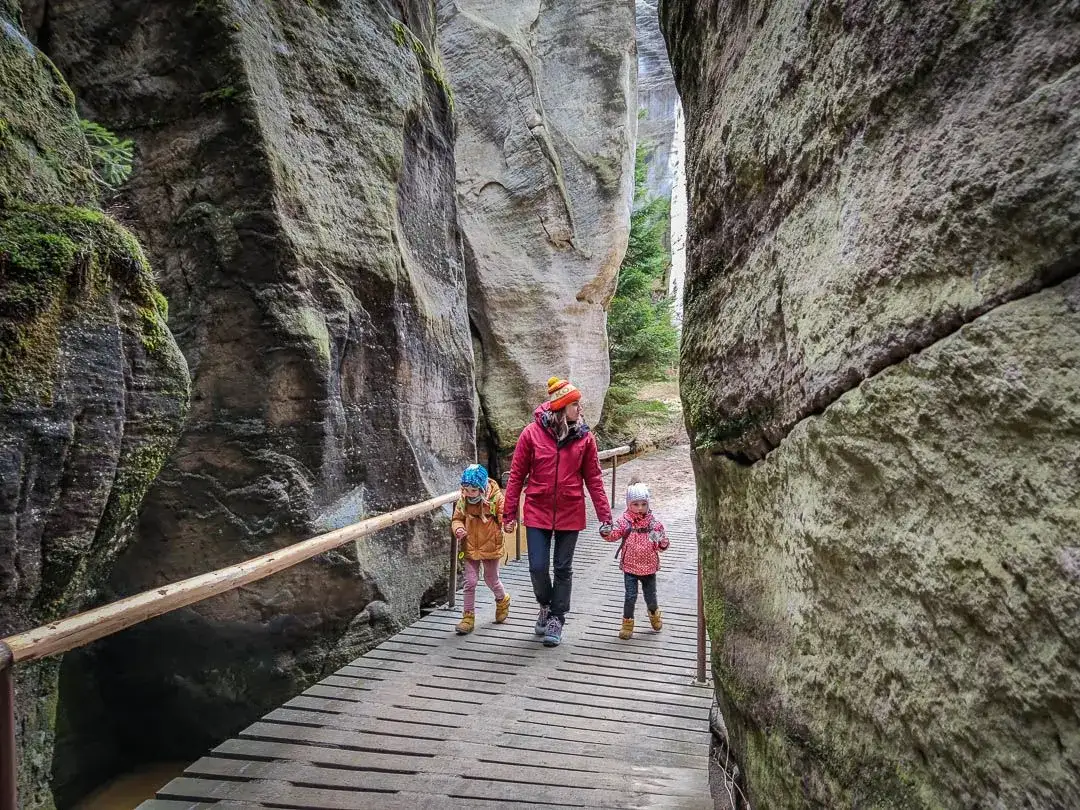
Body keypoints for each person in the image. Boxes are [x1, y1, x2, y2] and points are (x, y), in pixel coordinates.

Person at [503, 376, 613, 647]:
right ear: (562, 407)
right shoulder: (531, 434)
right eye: (575, 404)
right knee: (538, 566)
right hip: (538, 508)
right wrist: (508, 515)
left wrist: (605, 517)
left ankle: (556, 618)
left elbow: (595, 479)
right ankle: (545, 605)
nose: (580, 409)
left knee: (563, 567)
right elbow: (516, 476)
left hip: (570, 510)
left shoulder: (585, 438)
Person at [605, 481, 669, 639]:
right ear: (629, 504)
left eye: (643, 504)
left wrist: (662, 542)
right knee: (630, 596)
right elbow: (615, 534)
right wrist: (606, 533)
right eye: (635, 504)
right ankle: (627, 624)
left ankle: (654, 613)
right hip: (630, 566)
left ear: (648, 504)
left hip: (649, 567)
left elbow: (659, 546)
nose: (640, 508)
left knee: (650, 597)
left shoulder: (653, 524)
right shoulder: (624, 521)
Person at [451, 464, 510, 634]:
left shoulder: (496, 498)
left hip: (490, 544)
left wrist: (507, 524)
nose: (469, 494)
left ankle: (502, 599)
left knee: (491, 579)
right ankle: (468, 617)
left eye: (473, 490)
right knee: (470, 582)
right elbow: (457, 519)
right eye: (466, 489)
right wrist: (458, 529)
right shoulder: (463, 500)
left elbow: (504, 516)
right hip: (470, 545)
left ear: (482, 488)